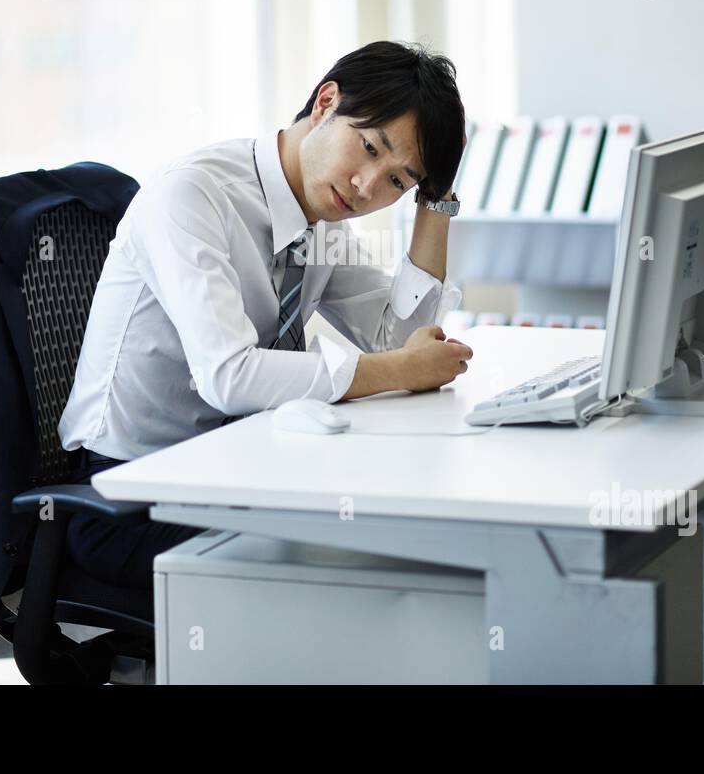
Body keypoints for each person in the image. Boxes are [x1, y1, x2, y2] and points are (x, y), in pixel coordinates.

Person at [60, 40, 473, 588]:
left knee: (403, 524)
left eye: (398, 181)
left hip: (235, 468)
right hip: (126, 497)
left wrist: (435, 201)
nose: (368, 186)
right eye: (371, 148)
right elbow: (229, 377)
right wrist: (400, 369)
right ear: (326, 102)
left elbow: (397, 335)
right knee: (348, 556)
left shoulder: (322, 218)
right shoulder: (192, 196)